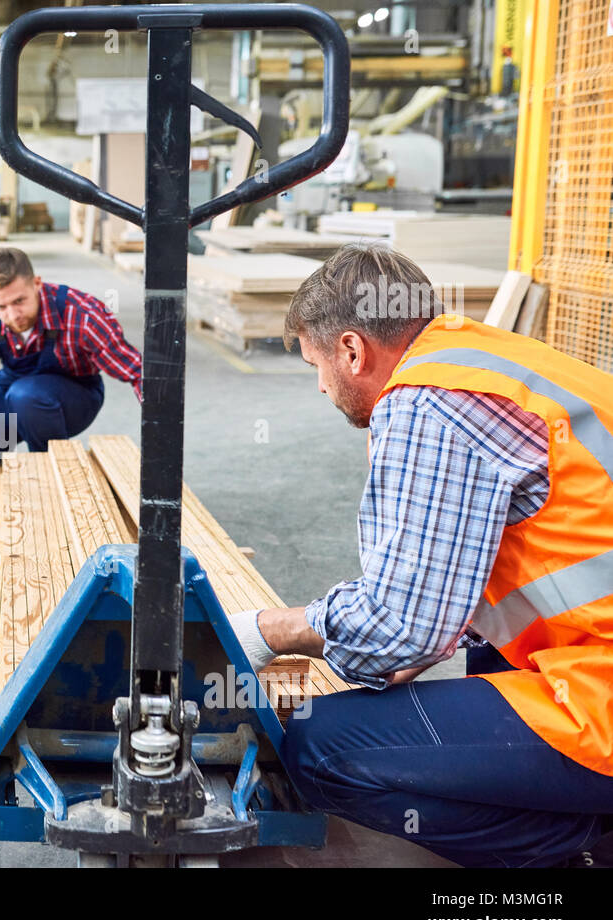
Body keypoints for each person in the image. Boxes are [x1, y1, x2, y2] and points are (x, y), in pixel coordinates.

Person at [229, 242, 613, 867]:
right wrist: (412, 642)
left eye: (314, 366)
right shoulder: (486, 357)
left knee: (320, 748)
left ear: (351, 350)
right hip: (590, 643)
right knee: (474, 658)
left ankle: (579, 843)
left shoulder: (425, 403)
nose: (322, 386)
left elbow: (402, 624)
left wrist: (267, 631)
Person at [0, 246, 142, 490]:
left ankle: (50, 477)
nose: (13, 315)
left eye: (19, 301)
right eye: (1, 307)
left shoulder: (82, 314)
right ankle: (11, 472)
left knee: (27, 396)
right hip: (12, 392)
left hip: (74, 397)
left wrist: (162, 438)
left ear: (37, 283)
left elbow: (137, 372)